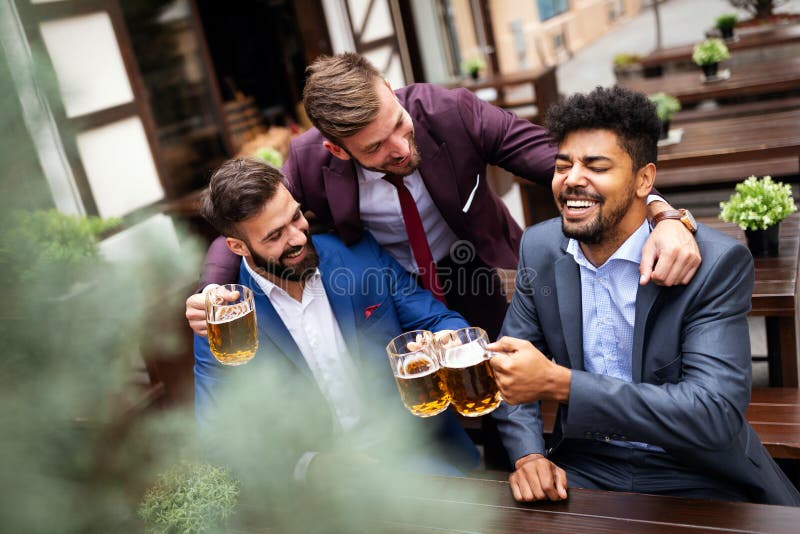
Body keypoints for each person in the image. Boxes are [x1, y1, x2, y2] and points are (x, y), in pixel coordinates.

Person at [197, 52, 701, 341]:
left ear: (390, 90)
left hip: (475, 267)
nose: (401, 146)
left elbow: (568, 165)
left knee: (505, 378)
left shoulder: (451, 112)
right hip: (388, 288)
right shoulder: (309, 160)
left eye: (397, 122)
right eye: (376, 147)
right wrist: (211, 292)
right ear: (337, 149)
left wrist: (662, 212)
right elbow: (244, 227)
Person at [486, 86, 800, 506]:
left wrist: (563, 384)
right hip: (586, 463)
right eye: (563, 165)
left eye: (596, 166)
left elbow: (713, 413)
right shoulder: (540, 248)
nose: (573, 178)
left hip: (699, 471)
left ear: (644, 180)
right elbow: (511, 362)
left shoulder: (713, 264)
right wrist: (527, 455)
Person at [191, 157, 479, 483]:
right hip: (319, 494)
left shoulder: (360, 255)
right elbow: (216, 438)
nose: (298, 238)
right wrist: (310, 467)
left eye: (296, 217)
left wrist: (447, 341)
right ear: (236, 246)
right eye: (274, 237)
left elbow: (440, 319)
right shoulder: (223, 319)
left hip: (416, 455)